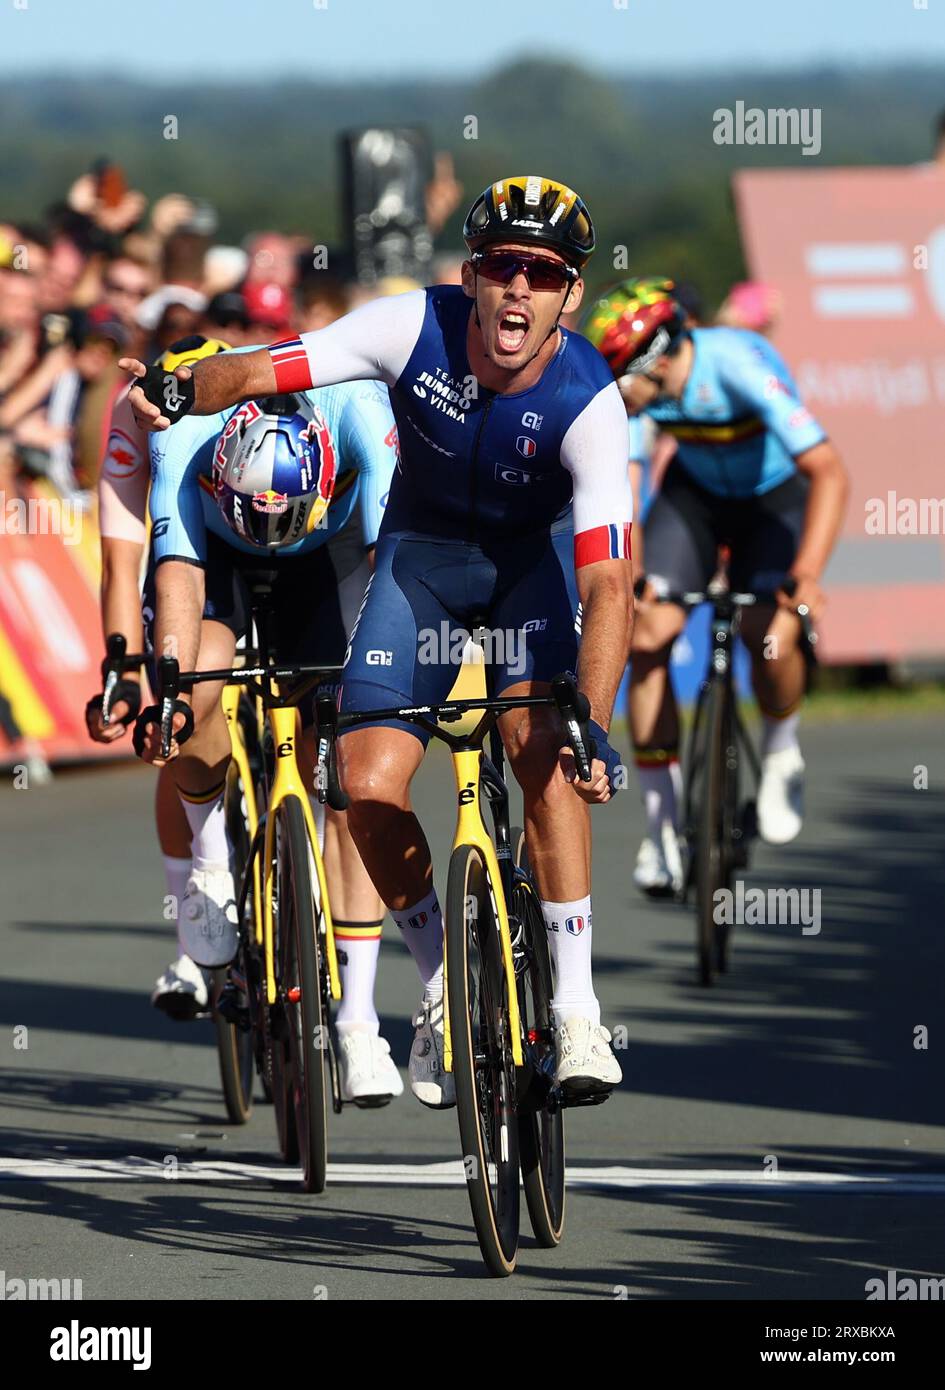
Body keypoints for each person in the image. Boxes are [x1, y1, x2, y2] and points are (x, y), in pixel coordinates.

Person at [121, 174, 634, 1108]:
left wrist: (591, 718)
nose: (518, 287)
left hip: (531, 569)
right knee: (364, 783)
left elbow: (607, 583)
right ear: (472, 275)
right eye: (502, 267)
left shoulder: (591, 402)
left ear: (570, 293)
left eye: (543, 272)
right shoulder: (412, 326)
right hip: (421, 561)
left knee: (542, 752)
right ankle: (439, 981)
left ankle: (574, 1009)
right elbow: (267, 367)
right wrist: (183, 384)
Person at [129, 362, 403, 1105]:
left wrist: (380, 682)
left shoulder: (360, 419)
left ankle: (357, 1022)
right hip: (218, 556)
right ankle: (213, 862)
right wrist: (177, 692)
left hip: (330, 552)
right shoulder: (186, 442)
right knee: (195, 689)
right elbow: (177, 578)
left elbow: (390, 569)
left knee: (347, 765)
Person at [581, 278, 849, 895]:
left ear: (663, 360)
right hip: (696, 499)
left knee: (770, 632)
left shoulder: (738, 367)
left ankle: (781, 746)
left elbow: (829, 472)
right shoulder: (643, 397)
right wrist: (634, 578)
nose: (618, 395)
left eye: (625, 380)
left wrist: (805, 578)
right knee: (647, 631)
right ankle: (663, 828)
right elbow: (622, 485)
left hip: (772, 500)